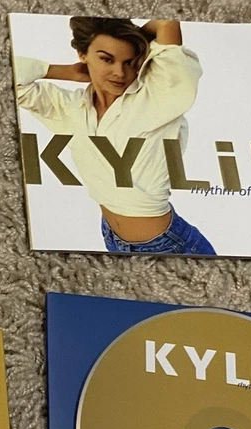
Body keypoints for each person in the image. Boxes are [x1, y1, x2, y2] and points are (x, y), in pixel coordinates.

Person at [13, 16, 216, 255]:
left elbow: (166, 23)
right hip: (112, 240)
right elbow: (9, 78)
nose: (120, 72)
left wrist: (135, 38)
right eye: (106, 59)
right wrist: (68, 72)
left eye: (129, 62)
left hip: (170, 247)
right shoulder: (70, 108)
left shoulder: (156, 98)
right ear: (82, 55)